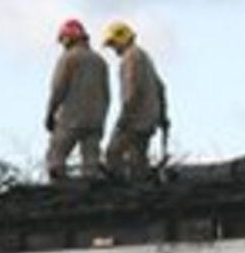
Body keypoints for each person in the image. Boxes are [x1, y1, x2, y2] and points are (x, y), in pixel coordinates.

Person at [101, 21, 169, 180]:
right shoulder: (145, 57)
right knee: (138, 161)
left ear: (121, 39)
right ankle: (140, 191)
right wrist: (162, 116)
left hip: (134, 120)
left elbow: (131, 92)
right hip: (149, 119)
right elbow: (161, 88)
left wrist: (123, 119)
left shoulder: (130, 58)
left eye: (113, 44)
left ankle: (121, 192)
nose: (113, 49)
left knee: (112, 153)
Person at [45, 19, 109, 181]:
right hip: (95, 121)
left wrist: (50, 114)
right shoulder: (100, 61)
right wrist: (101, 119)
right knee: (91, 165)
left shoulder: (68, 58)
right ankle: (90, 198)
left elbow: (58, 89)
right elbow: (107, 95)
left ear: (68, 38)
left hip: (71, 119)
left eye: (62, 39)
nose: (62, 44)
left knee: (56, 157)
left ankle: (60, 195)